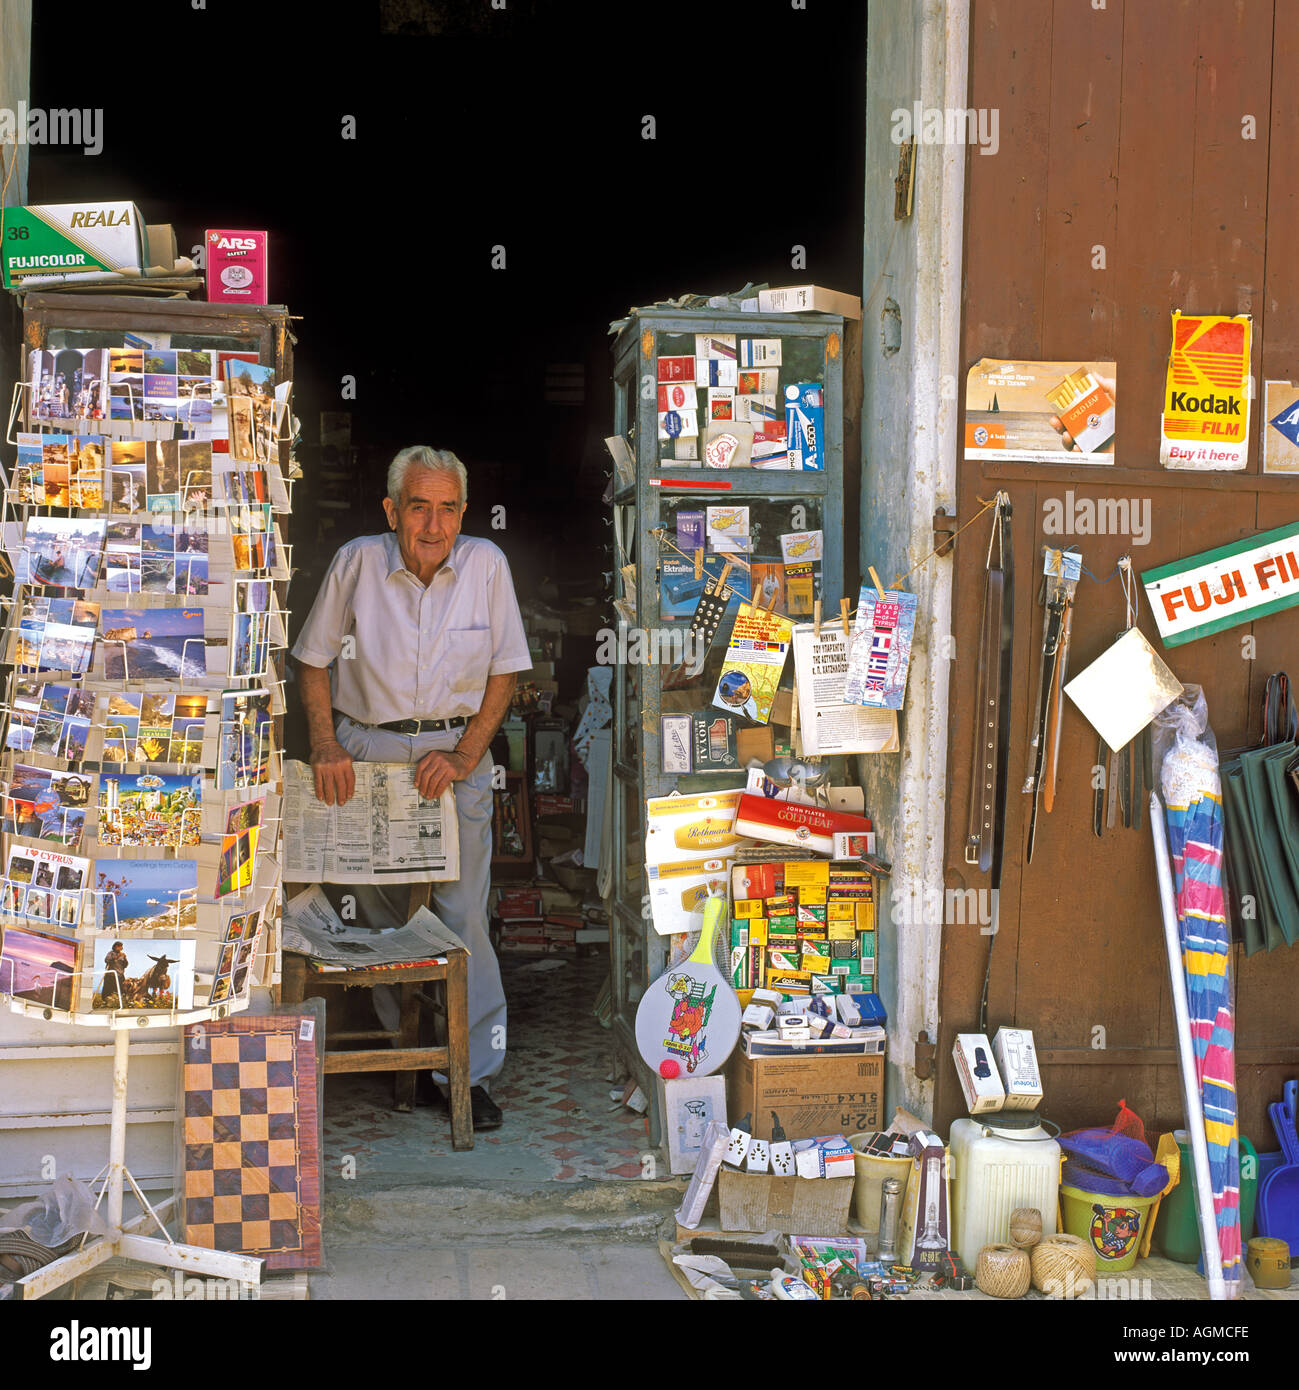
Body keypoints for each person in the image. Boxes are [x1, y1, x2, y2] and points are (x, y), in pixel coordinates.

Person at [291, 446, 531, 1131]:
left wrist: (463, 753)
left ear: (463, 512)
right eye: (418, 507)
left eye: (447, 508)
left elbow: (505, 672)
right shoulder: (357, 562)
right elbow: (311, 661)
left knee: (461, 920)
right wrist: (327, 744)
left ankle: (468, 1071)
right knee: (377, 917)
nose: (433, 524)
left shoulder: (485, 564)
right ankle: (410, 1054)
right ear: (392, 511)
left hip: (452, 755)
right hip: (366, 749)